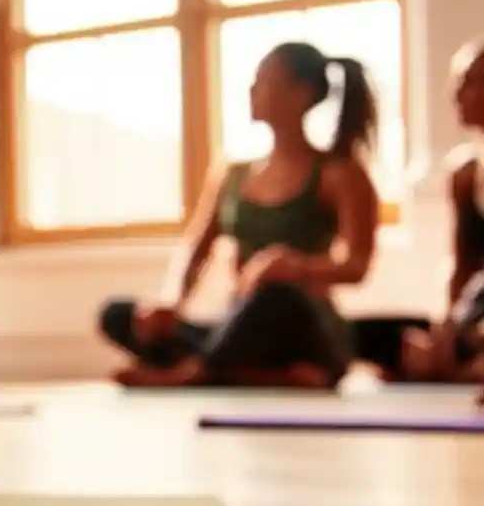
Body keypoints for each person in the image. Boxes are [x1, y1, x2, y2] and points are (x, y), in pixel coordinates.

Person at [99, 42, 380, 389]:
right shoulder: (232, 173)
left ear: (301, 94)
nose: (251, 91)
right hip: (236, 325)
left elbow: (356, 265)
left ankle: (198, 373)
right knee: (118, 313)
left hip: (305, 328)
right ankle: (252, 374)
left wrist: (294, 267)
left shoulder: (339, 173)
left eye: (264, 81)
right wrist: (171, 302)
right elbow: (196, 248)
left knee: (277, 294)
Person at [350, 41, 484, 383]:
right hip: (476, 310)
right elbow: (463, 264)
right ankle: (453, 365)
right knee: (369, 337)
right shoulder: (465, 173)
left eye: (470, 82)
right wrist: (447, 328)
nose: (455, 94)